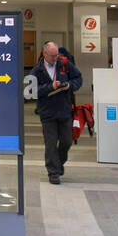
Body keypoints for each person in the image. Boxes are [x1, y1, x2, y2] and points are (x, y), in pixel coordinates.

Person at [31, 40, 83, 185]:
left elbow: (78, 78)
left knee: (67, 141)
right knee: (51, 144)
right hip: (47, 113)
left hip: (64, 110)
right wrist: (50, 87)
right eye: (53, 56)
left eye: (57, 55)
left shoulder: (64, 64)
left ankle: (58, 163)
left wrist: (70, 86)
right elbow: (31, 91)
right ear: (45, 54)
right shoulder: (37, 70)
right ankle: (53, 172)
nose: (55, 58)